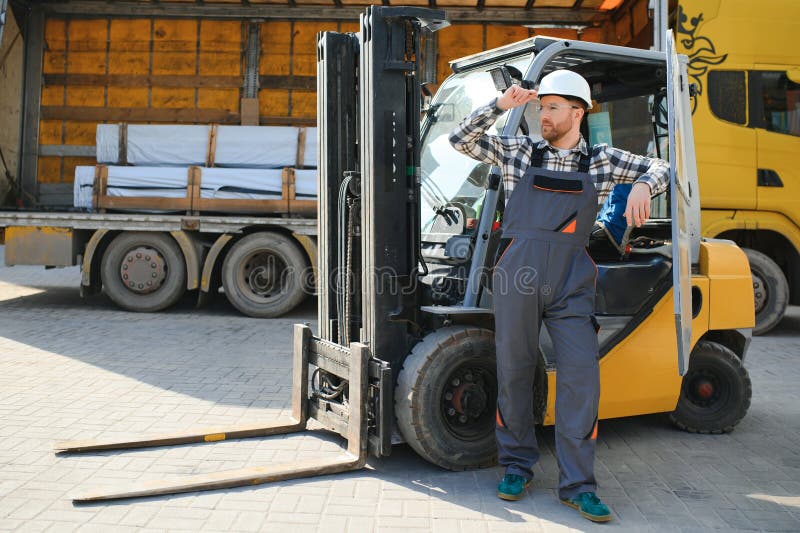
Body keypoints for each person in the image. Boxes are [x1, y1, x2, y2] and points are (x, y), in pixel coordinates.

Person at [449, 69, 669, 523]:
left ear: (577, 112)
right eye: (540, 106)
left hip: (571, 280)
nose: (542, 114)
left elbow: (663, 166)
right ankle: (516, 466)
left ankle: (578, 485)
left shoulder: (602, 161)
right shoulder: (519, 152)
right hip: (518, 277)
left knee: (580, 378)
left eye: (551, 107)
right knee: (514, 370)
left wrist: (645, 185)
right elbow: (459, 139)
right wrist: (499, 106)